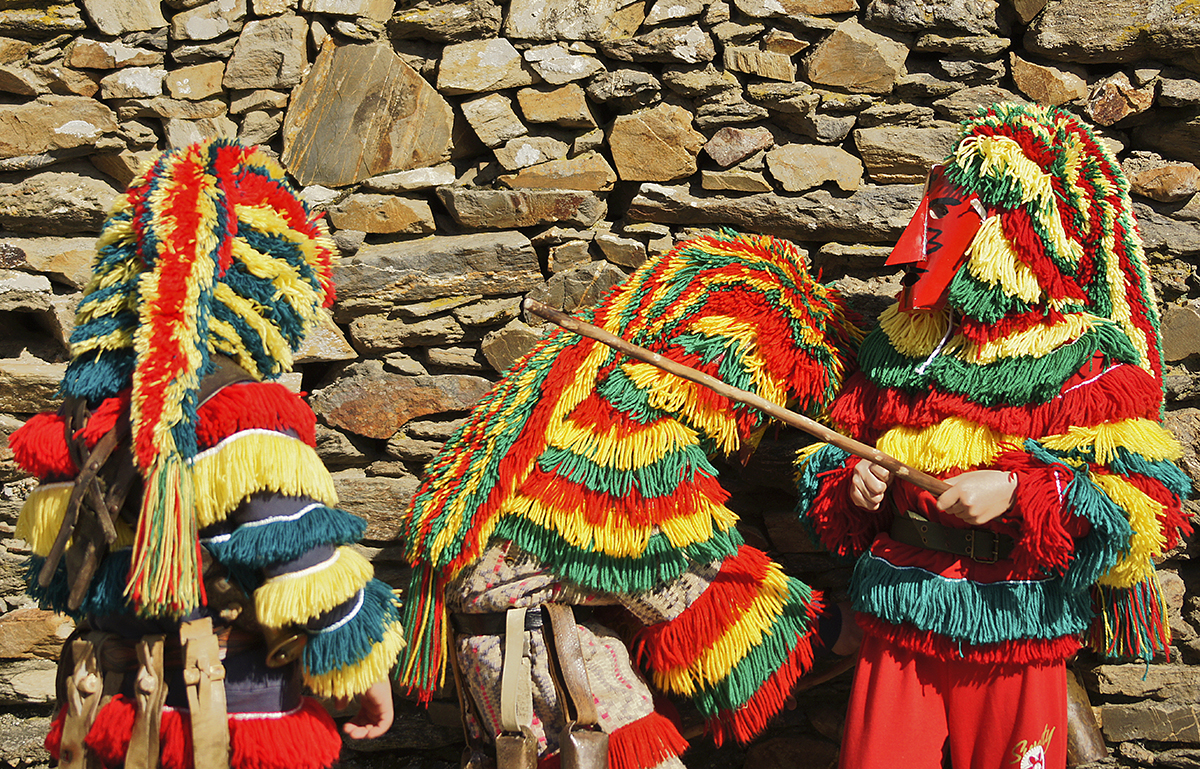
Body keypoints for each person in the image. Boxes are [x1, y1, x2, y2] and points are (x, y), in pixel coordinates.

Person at [794, 103, 1192, 769]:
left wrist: (1017, 489)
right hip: (899, 608)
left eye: (955, 225)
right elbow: (839, 447)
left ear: (1014, 237)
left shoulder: (1088, 360)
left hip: (1017, 620)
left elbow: (1148, 499)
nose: (927, 248)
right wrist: (853, 481)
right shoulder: (900, 344)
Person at [396, 231, 864, 769]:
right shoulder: (623, 434)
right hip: (544, 662)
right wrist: (825, 630)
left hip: (530, 643)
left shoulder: (585, 378)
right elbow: (672, 578)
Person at [9, 141, 404, 769]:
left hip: (107, 707)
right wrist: (361, 669)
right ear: (266, 288)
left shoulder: (82, 418)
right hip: (222, 721)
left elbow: (60, 580)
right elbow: (297, 564)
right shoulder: (239, 412)